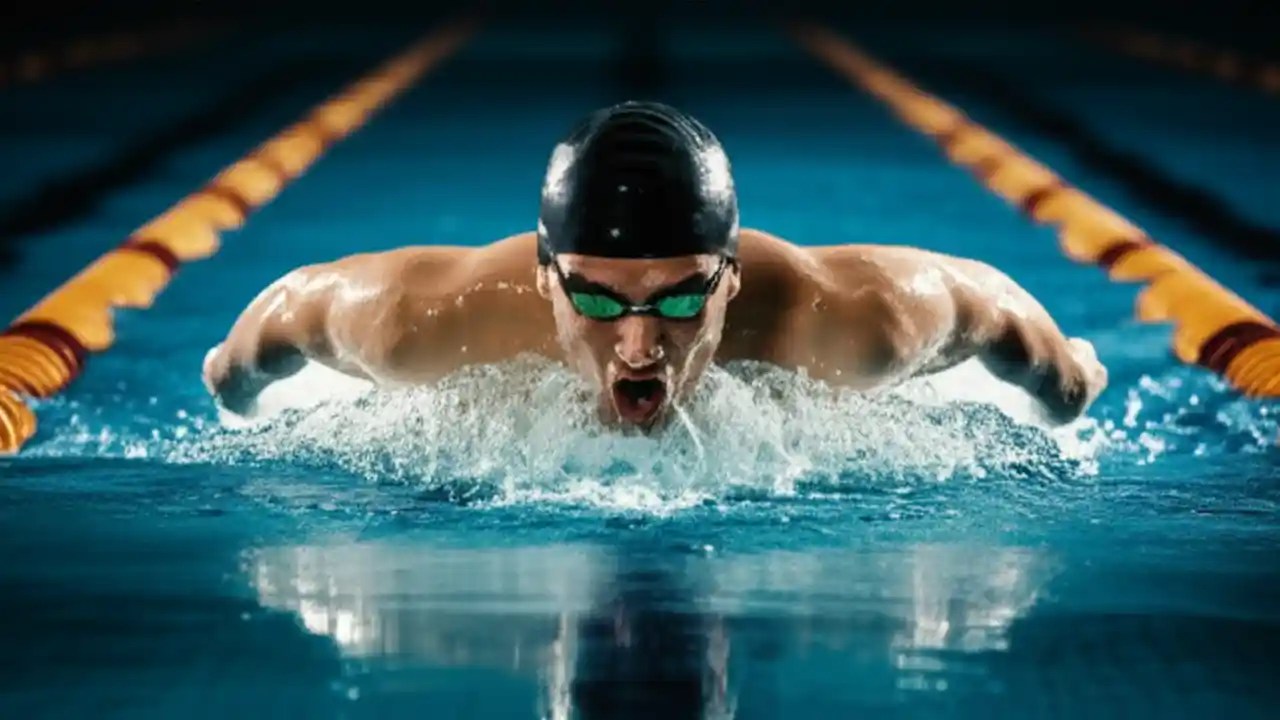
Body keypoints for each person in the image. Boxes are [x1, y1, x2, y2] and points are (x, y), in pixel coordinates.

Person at [202, 101, 1107, 431]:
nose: (640, 346)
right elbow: (282, 319)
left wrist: (1066, 384)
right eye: (597, 298)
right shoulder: (414, 322)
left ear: (734, 278)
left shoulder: (857, 319)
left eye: (680, 302)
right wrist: (234, 388)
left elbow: (990, 307)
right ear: (546, 279)